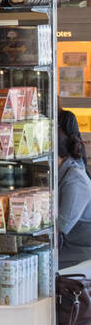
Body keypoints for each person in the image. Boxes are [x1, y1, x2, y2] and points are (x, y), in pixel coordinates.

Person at [56, 109, 91, 269]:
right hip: (68, 245)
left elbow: (63, 225)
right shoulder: (63, 172)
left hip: (78, 249)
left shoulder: (75, 179)